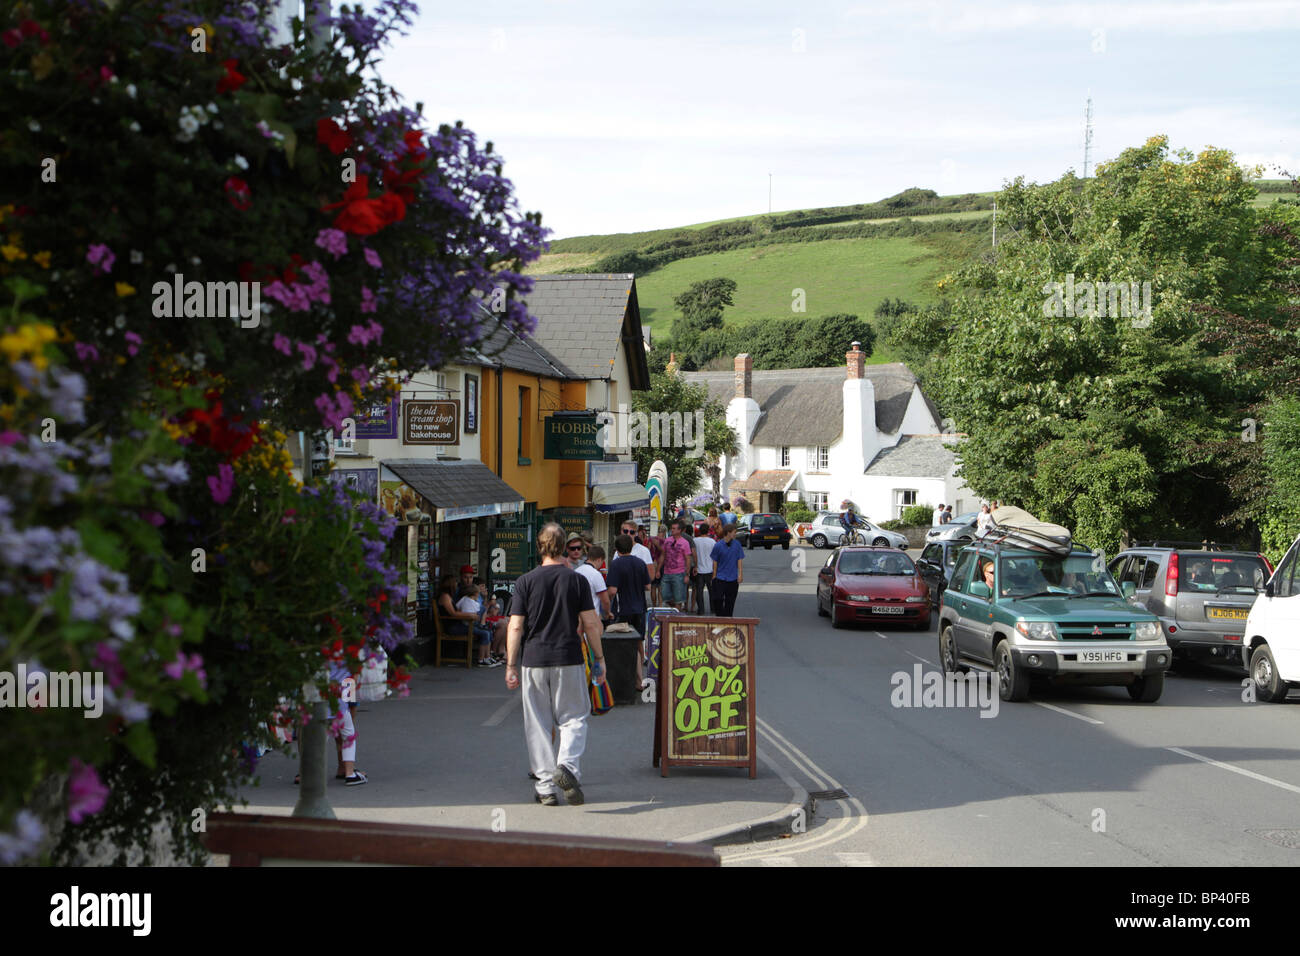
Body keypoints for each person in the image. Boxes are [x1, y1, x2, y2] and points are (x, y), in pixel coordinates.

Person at [504, 523, 603, 806]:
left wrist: (511, 665)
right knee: (574, 718)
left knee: (537, 722)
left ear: (540, 547)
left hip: (533, 659)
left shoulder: (525, 581)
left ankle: (546, 787)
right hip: (568, 658)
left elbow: (515, 626)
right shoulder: (576, 581)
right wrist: (599, 658)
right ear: (564, 548)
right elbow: (591, 623)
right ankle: (568, 767)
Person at [439, 574, 498, 667]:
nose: (456, 584)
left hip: (459, 624)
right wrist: (471, 615)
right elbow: (453, 613)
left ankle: (487, 657)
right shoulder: (445, 597)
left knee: (488, 631)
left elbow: (457, 610)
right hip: (452, 627)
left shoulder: (450, 596)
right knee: (485, 633)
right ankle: (481, 660)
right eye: (455, 582)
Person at [566, 532, 611, 622]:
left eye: (579, 548)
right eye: (573, 548)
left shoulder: (584, 564)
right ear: (567, 549)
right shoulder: (564, 566)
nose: (576, 551)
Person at [710, 523, 745, 617]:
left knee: (730, 602)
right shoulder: (718, 545)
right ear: (728, 533)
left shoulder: (737, 545)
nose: (735, 534)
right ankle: (720, 618)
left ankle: (728, 619)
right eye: (734, 532)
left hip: (732, 578)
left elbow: (739, 559)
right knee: (718, 600)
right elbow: (715, 561)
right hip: (720, 577)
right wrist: (714, 575)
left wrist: (740, 574)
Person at [660, 519, 694, 611]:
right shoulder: (667, 541)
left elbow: (688, 559)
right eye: (672, 528)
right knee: (665, 595)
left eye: (674, 528)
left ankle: (676, 614)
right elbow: (663, 554)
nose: (672, 530)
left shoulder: (685, 543)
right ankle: (674, 609)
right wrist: (658, 569)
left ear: (680, 530)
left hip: (679, 573)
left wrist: (687, 574)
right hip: (667, 572)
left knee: (678, 598)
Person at [692, 521, 715, 615]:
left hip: (699, 569)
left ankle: (701, 609)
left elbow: (693, 554)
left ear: (700, 531)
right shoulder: (712, 541)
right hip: (710, 569)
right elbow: (715, 556)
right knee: (711, 591)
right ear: (708, 531)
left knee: (699, 591)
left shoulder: (695, 541)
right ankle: (713, 608)